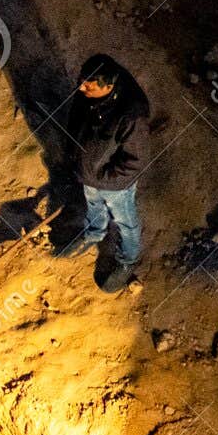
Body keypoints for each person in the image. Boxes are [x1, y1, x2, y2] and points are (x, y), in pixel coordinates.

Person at [56, 53, 151, 293]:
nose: (81, 86)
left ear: (108, 87)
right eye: (81, 80)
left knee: (126, 222)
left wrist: (103, 178)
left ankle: (127, 260)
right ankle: (95, 233)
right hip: (89, 174)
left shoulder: (132, 115)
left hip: (115, 186)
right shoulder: (87, 94)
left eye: (89, 84)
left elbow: (135, 161)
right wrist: (74, 158)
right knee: (93, 205)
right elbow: (75, 124)